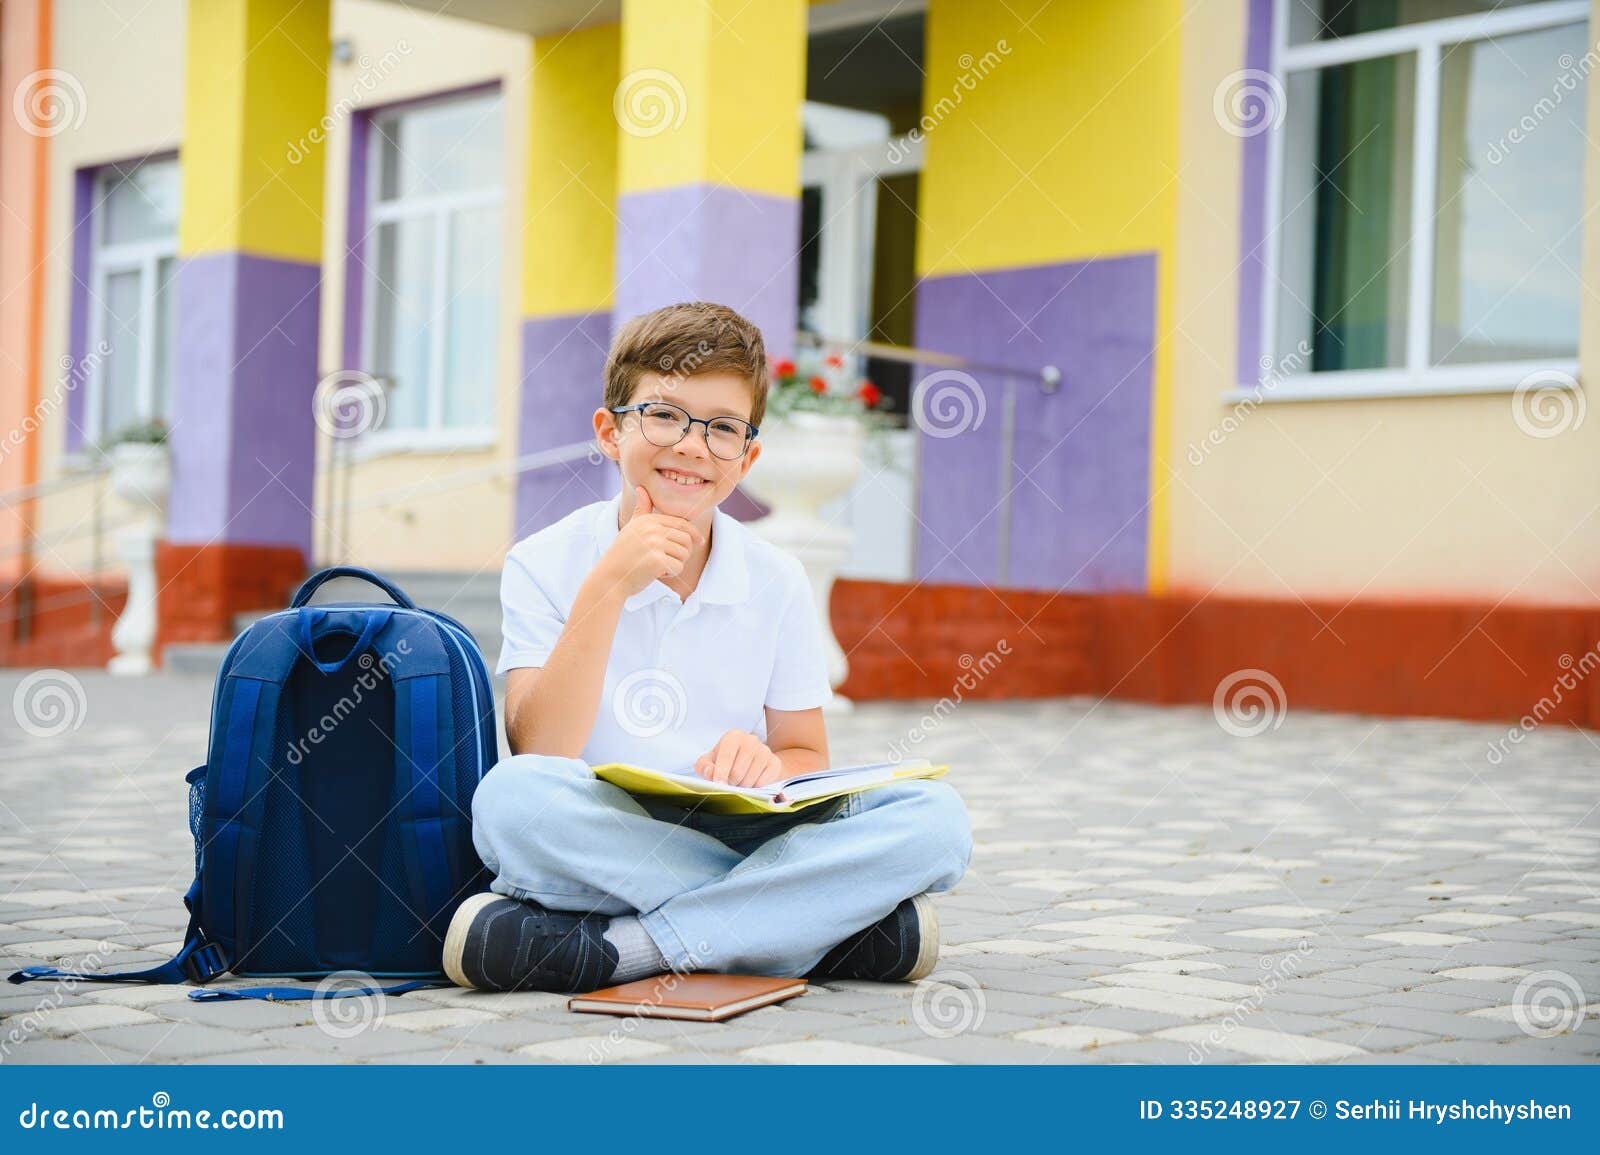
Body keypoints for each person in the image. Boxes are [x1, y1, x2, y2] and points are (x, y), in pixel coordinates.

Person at [442, 301, 972, 993]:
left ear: (747, 456)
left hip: (739, 830)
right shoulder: (544, 560)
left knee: (938, 820)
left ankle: (631, 948)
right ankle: (824, 926)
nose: (692, 445)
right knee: (510, 800)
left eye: (723, 428)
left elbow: (806, 753)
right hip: (607, 832)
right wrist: (608, 585)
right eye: (664, 415)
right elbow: (541, 748)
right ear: (610, 431)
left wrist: (766, 760)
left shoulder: (776, 576)